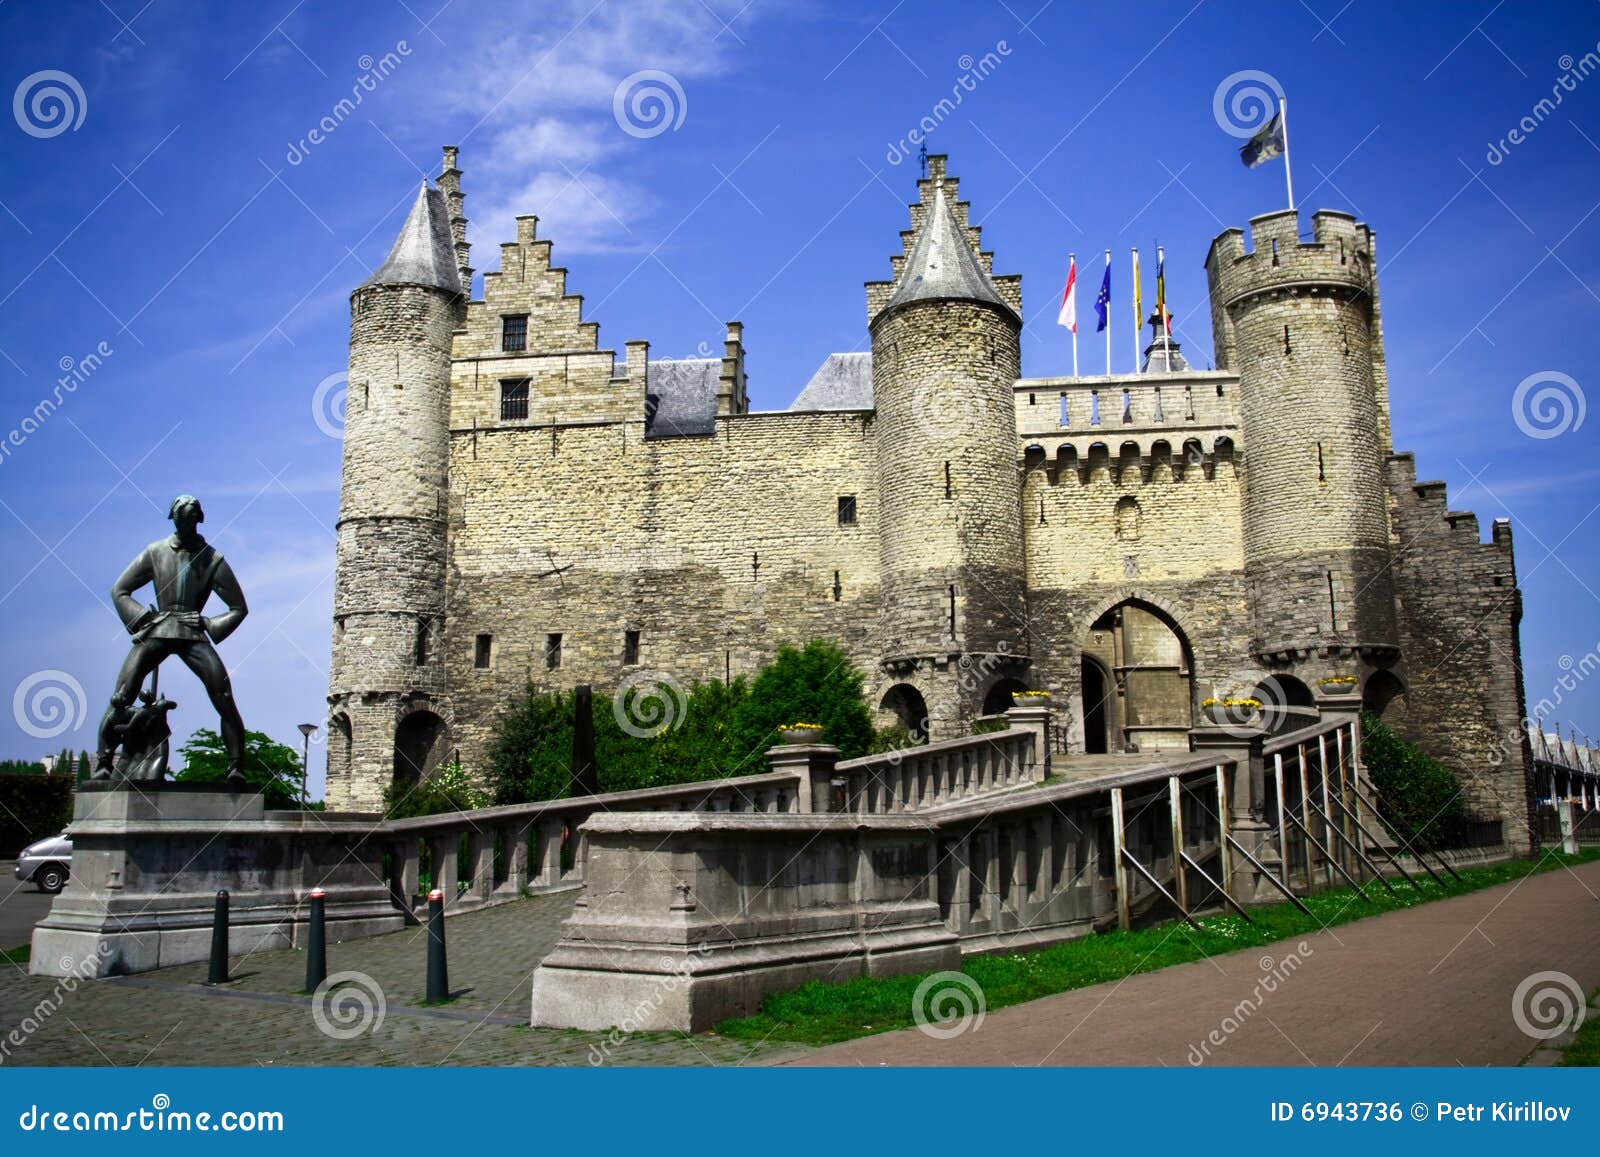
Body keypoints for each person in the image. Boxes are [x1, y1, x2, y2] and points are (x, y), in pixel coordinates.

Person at [93, 495, 248, 787]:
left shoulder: (212, 559)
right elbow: (120, 590)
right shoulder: (155, 552)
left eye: (192, 518)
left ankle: (236, 766)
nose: (187, 523)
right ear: (173, 518)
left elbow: (239, 607)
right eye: (182, 518)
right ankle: (103, 762)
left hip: (191, 632)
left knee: (223, 696)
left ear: (198, 519)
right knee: (123, 694)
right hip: (159, 627)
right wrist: (141, 620)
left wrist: (208, 622)